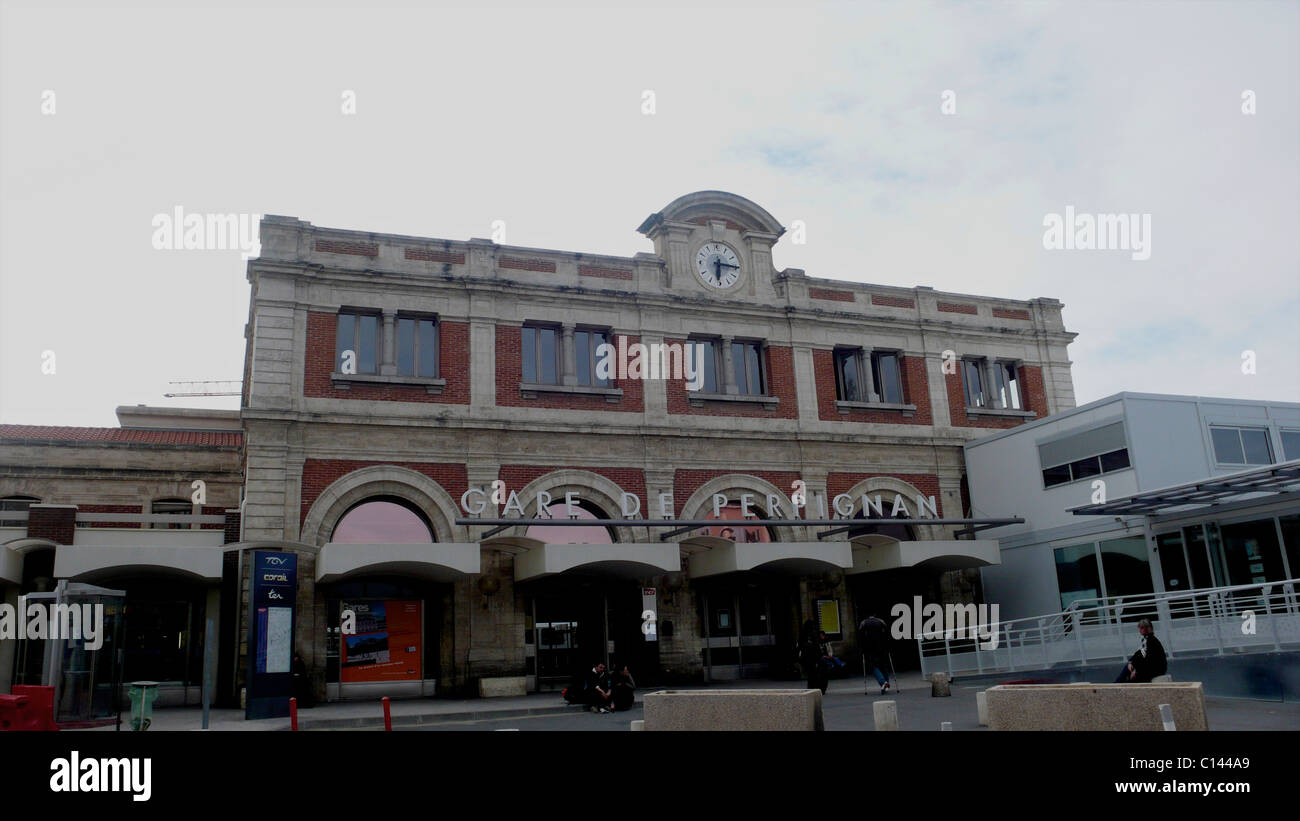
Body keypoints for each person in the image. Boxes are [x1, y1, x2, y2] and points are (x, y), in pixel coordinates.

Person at [1115, 618, 1167, 683]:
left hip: (1155, 669)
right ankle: (1117, 683)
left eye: (1141, 628)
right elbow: (1139, 654)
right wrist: (1131, 662)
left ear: (1147, 628)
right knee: (1127, 668)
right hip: (1149, 668)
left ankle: (1117, 684)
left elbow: (1148, 660)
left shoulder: (1151, 641)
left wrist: (1136, 670)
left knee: (1129, 682)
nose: (1139, 630)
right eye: (1140, 628)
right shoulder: (1146, 639)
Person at [858, 610, 890, 695]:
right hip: (882, 648)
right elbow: (887, 635)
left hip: (870, 649)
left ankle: (883, 682)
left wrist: (862, 649)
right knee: (883, 666)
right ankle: (886, 683)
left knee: (874, 666)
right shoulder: (881, 622)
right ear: (875, 614)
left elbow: (861, 637)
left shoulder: (864, 623)